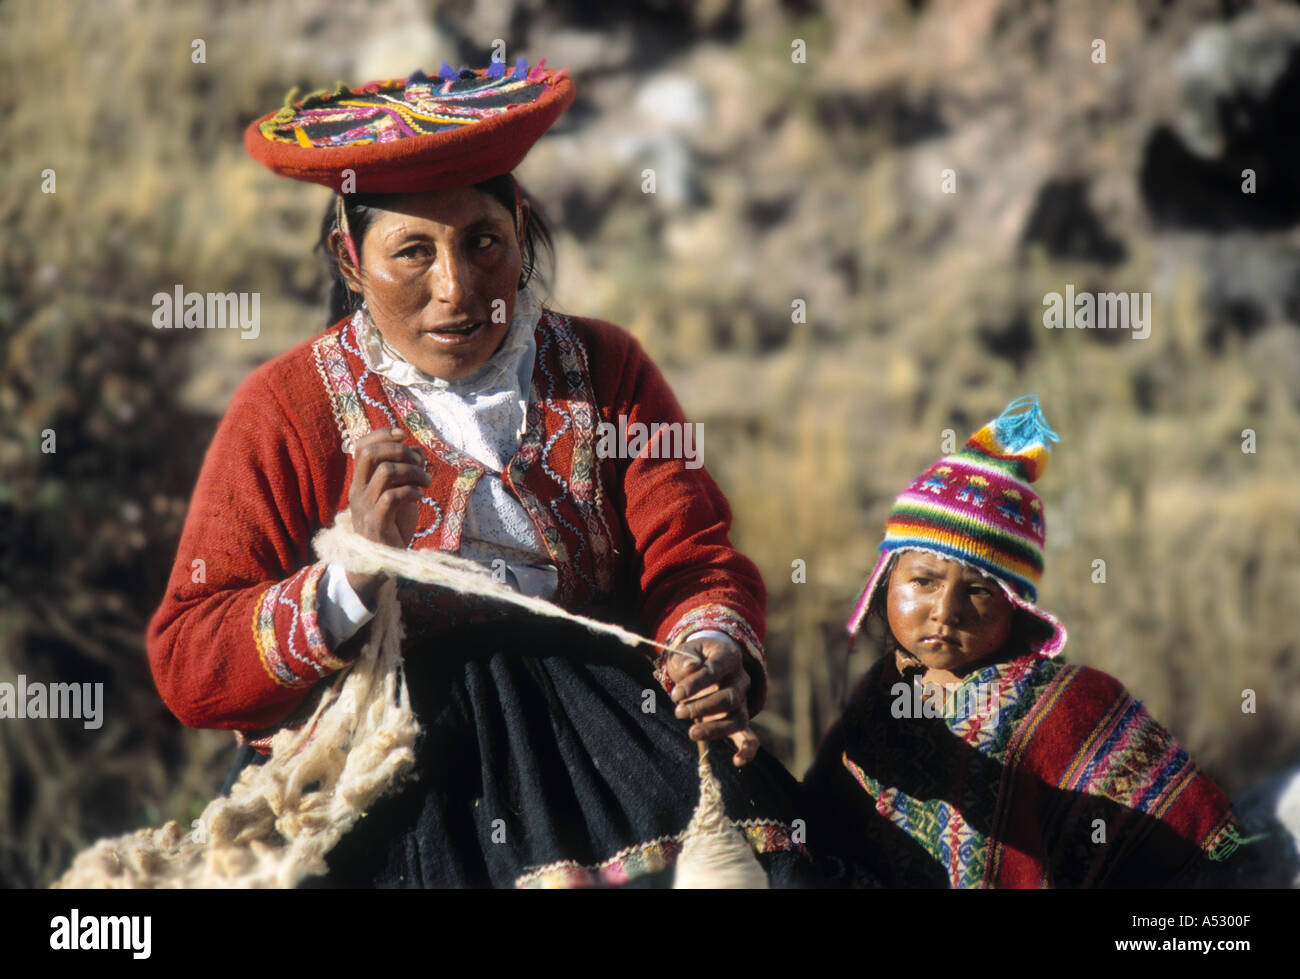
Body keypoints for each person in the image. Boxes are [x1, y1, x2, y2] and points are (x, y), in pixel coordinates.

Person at [148, 58, 814, 887]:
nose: (456, 288)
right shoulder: (287, 409)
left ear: (521, 226)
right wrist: (348, 577)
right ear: (349, 259)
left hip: (613, 749)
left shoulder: (603, 368)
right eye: (412, 253)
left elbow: (692, 556)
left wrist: (708, 648)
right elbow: (188, 661)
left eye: (484, 243)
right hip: (392, 777)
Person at [802, 396, 1261, 887]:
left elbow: (1191, 843)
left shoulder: (1069, 705)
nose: (945, 610)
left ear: (1016, 610)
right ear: (884, 582)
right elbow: (820, 821)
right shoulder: (881, 694)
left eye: (978, 590)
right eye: (923, 581)